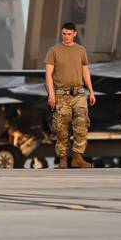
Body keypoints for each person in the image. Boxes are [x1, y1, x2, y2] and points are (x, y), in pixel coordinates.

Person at [44, 22, 96, 168]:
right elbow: (48, 74)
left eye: (68, 34)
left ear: (74, 34)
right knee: (62, 128)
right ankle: (63, 159)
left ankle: (78, 157)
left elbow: (85, 71)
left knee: (82, 124)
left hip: (79, 93)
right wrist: (51, 94)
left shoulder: (81, 50)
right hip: (61, 94)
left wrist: (91, 91)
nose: (66, 36)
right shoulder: (53, 51)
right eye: (64, 34)